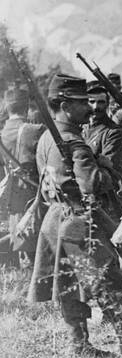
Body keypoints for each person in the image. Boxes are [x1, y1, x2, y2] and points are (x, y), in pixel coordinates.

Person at [28, 74, 122, 356]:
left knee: (68, 284)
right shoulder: (75, 143)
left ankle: (79, 343)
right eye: (81, 102)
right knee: (103, 278)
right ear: (64, 105)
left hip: (55, 217)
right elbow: (93, 184)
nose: (89, 107)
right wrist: (107, 167)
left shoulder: (47, 138)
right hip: (78, 222)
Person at [1, 84, 42, 268]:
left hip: (11, 197)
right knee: (38, 251)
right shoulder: (35, 130)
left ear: (7, 107)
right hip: (34, 197)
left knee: (20, 244)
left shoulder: (2, 133)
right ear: (27, 107)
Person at [83, 80, 122, 218]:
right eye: (91, 102)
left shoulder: (113, 133)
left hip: (104, 201)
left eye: (101, 102)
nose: (96, 107)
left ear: (107, 104)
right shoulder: (81, 129)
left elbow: (108, 168)